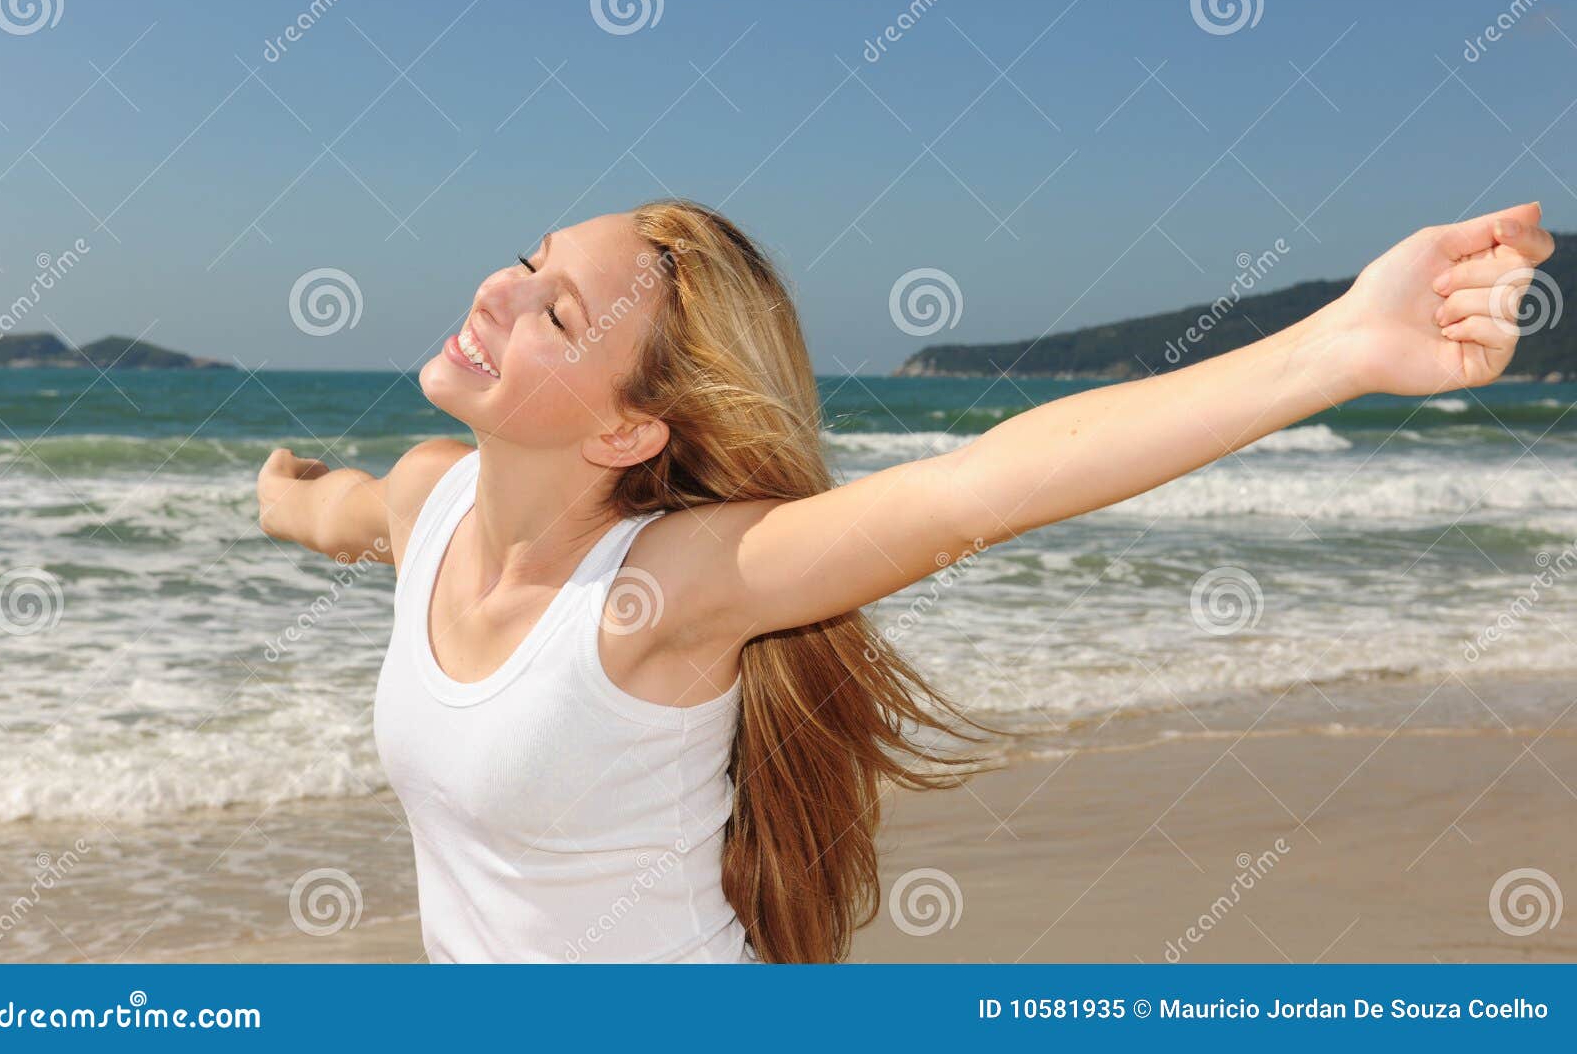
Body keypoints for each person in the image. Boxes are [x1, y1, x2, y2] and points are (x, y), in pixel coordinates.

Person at [256, 198, 1555, 962]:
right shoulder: (431, 497)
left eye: (551, 314)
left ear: (626, 432)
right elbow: (335, 511)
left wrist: (1340, 346)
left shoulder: (673, 588)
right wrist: (275, 491)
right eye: (531, 262)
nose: (499, 287)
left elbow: (977, 486)